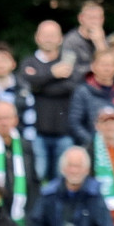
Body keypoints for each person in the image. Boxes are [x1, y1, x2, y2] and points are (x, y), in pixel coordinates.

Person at [21, 19, 78, 185]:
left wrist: (39, 83)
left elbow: (70, 86)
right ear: (37, 37)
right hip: (36, 134)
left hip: (64, 134)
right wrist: (52, 74)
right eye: (45, 35)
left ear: (61, 38)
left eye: (53, 35)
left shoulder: (69, 61)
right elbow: (25, 84)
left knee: (62, 180)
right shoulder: (28, 62)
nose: (48, 39)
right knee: (36, 178)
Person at [69, 48, 114, 149]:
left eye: (110, 65)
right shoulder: (83, 92)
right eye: (103, 64)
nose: (107, 69)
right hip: (92, 150)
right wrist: (93, 143)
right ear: (93, 66)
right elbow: (75, 123)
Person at [61, 0, 106, 79]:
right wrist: (93, 68)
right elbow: (68, 70)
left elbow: (110, 68)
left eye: (98, 18)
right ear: (81, 18)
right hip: (78, 85)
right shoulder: (71, 41)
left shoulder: (104, 40)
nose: (94, 22)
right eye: (91, 18)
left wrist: (100, 44)